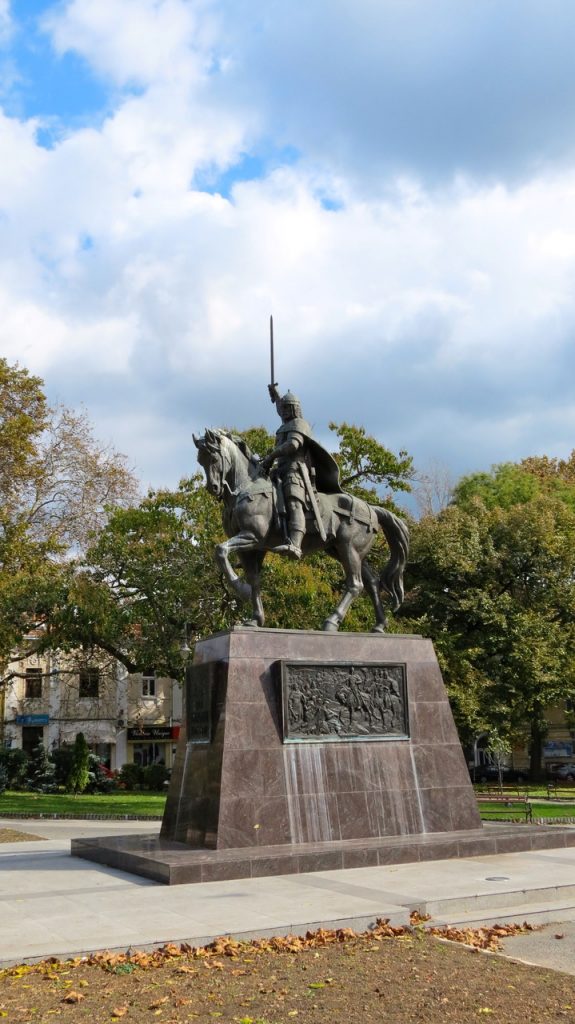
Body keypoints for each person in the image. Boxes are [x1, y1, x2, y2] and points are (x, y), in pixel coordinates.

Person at [261, 385, 341, 559]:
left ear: (294, 409)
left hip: (294, 471)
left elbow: (292, 445)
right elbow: (280, 407)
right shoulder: (285, 425)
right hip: (278, 471)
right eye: (281, 408)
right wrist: (277, 396)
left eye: (285, 408)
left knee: (293, 502)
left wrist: (271, 455)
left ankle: (296, 544)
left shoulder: (299, 424)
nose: (282, 411)